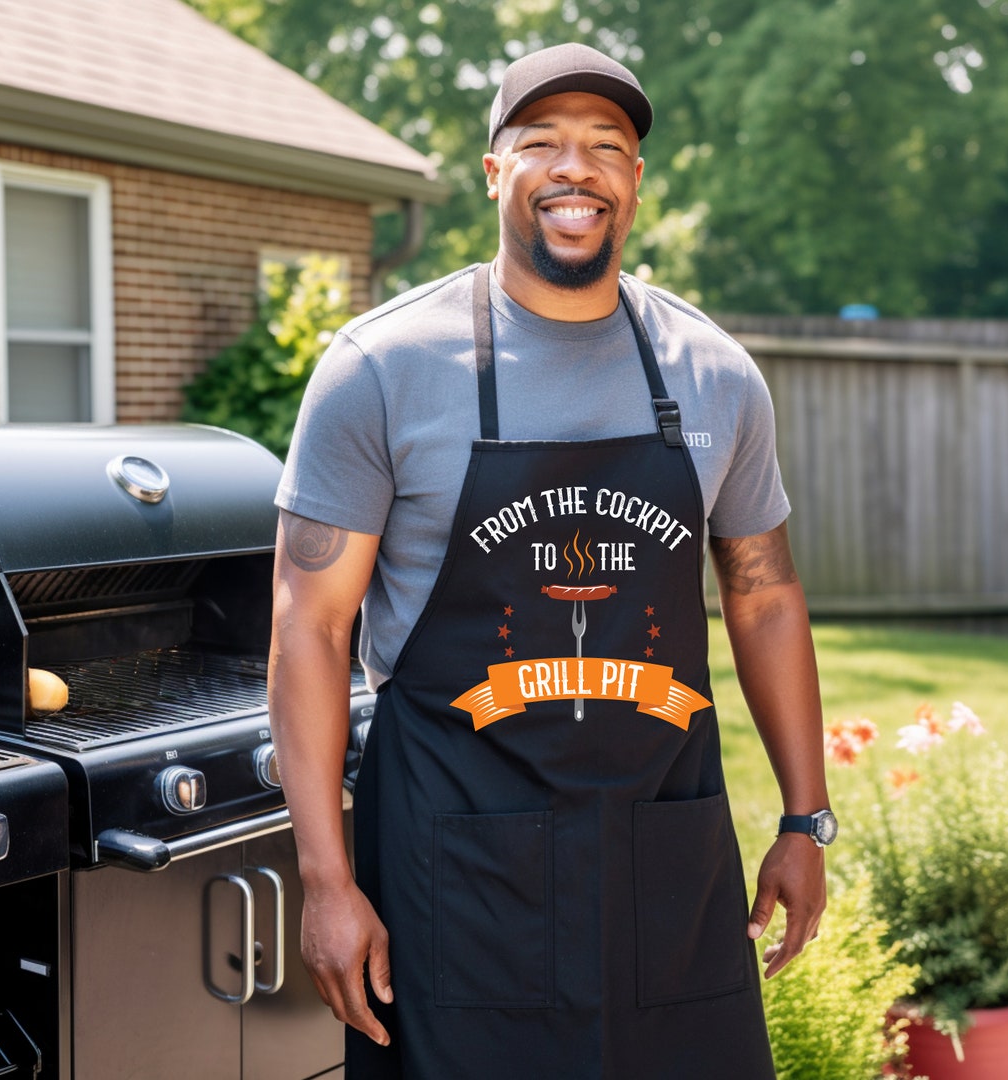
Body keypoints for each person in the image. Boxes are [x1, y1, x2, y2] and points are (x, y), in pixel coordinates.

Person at [269, 42, 832, 1080]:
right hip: (455, 868)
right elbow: (310, 627)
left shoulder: (714, 373)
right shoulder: (381, 370)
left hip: (664, 864)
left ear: (636, 182)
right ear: (496, 172)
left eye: (605, 147)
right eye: (543, 142)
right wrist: (326, 881)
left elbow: (764, 597)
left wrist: (807, 816)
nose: (576, 169)